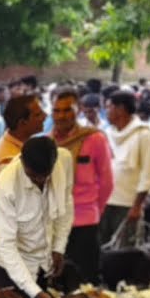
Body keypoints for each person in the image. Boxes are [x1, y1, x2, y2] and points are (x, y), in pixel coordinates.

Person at [0, 136, 73, 298]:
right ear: (22, 161)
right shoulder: (6, 185)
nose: (40, 181)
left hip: (40, 259)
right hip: (5, 261)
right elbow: (7, 246)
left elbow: (66, 205)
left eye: (45, 176)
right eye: (33, 176)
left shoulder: (64, 159)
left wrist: (58, 248)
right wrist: (35, 292)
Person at [50, 88, 113, 284]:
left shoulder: (95, 139)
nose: (61, 116)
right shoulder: (46, 143)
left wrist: (94, 210)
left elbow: (107, 183)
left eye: (67, 109)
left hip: (85, 223)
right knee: (55, 282)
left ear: (78, 110)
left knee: (86, 282)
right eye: (56, 110)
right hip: (54, 224)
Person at [103, 90, 150, 248]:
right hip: (104, 202)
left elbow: (148, 173)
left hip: (128, 204)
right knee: (101, 250)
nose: (105, 111)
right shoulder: (107, 133)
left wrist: (137, 206)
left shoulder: (144, 134)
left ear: (120, 109)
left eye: (108, 107)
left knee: (123, 252)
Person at [0, 94, 47, 180]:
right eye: (38, 114)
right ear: (22, 123)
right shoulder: (10, 160)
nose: (45, 116)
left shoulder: (18, 142)